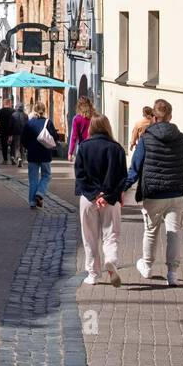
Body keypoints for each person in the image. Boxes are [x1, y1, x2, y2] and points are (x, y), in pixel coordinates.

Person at [123, 98, 183, 286]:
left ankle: (147, 266)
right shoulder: (181, 137)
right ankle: (172, 273)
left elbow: (135, 169)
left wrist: (122, 188)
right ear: (170, 117)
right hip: (176, 192)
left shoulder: (146, 138)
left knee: (151, 231)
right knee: (173, 232)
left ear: (154, 117)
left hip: (153, 193)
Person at [74, 114, 127, 286]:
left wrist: (95, 194)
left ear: (91, 127)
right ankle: (111, 258)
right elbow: (122, 177)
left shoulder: (84, 147)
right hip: (110, 199)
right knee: (111, 234)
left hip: (88, 198)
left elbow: (80, 175)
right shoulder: (117, 148)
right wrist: (108, 195)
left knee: (89, 237)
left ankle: (93, 274)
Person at [21, 101, 58, 208]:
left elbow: (23, 140)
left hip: (32, 154)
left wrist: (29, 147)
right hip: (45, 154)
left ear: (34, 110)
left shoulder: (29, 123)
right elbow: (55, 137)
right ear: (44, 110)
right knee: (46, 175)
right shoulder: (48, 122)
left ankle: (32, 202)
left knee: (33, 178)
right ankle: (40, 193)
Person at [68, 97, 94, 161]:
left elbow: (74, 137)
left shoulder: (77, 119)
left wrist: (70, 152)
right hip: (93, 146)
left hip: (82, 146)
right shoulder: (94, 117)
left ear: (79, 106)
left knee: (81, 166)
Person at [0, 97, 15, 163]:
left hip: (3, 130)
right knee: (12, 144)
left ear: (4, 103)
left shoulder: (0, 111)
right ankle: (12, 157)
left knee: (4, 145)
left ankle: (5, 159)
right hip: (12, 130)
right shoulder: (13, 111)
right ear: (10, 103)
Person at [9, 102, 29, 168]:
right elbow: (27, 125)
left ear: (16, 107)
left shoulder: (13, 115)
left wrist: (10, 134)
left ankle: (18, 158)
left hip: (15, 133)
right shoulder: (26, 115)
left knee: (16, 146)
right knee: (22, 147)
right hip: (23, 133)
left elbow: (10, 125)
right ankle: (20, 159)